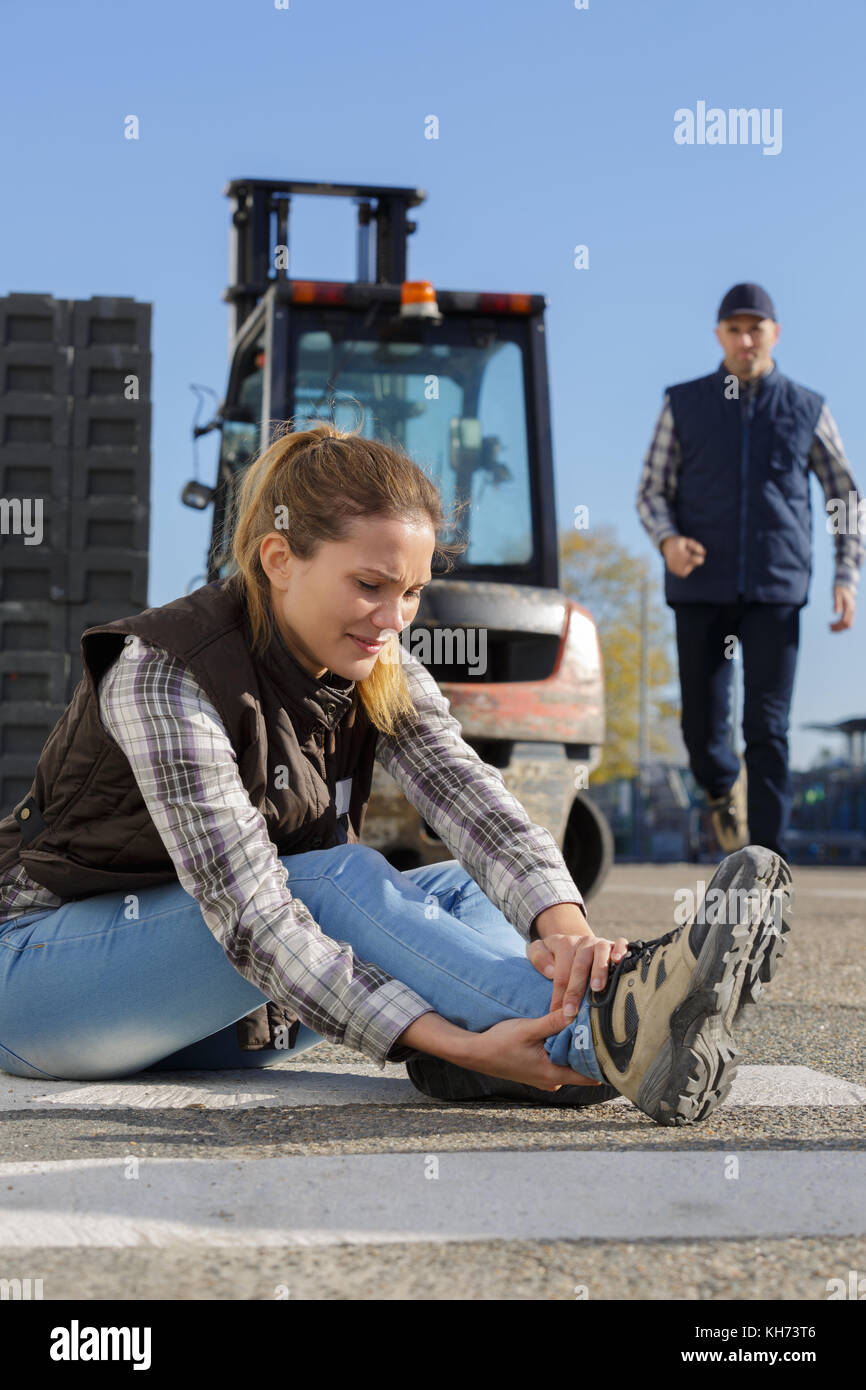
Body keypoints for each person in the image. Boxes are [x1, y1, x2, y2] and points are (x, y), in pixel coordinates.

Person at [0, 423, 792, 1127]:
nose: (393, 617)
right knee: (328, 881)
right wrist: (445, 1031)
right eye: (370, 585)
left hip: (225, 1016)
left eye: (411, 592)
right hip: (44, 987)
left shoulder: (380, 666)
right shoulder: (166, 672)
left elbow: (470, 796)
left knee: (458, 889)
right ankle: (600, 1035)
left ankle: (550, 1033)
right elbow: (253, 914)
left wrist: (569, 931)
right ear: (279, 559)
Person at [637, 283, 865, 858]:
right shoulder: (683, 402)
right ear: (718, 336)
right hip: (700, 588)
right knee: (703, 733)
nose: (745, 340)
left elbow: (843, 494)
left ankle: (768, 859)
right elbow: (651, 490)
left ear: (774, 335)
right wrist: (667, 541)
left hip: (775, 590)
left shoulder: (807, 407)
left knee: (768, 728)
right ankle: (720, 792)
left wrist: (846, 574)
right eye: (734, 329)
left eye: (755, 329)